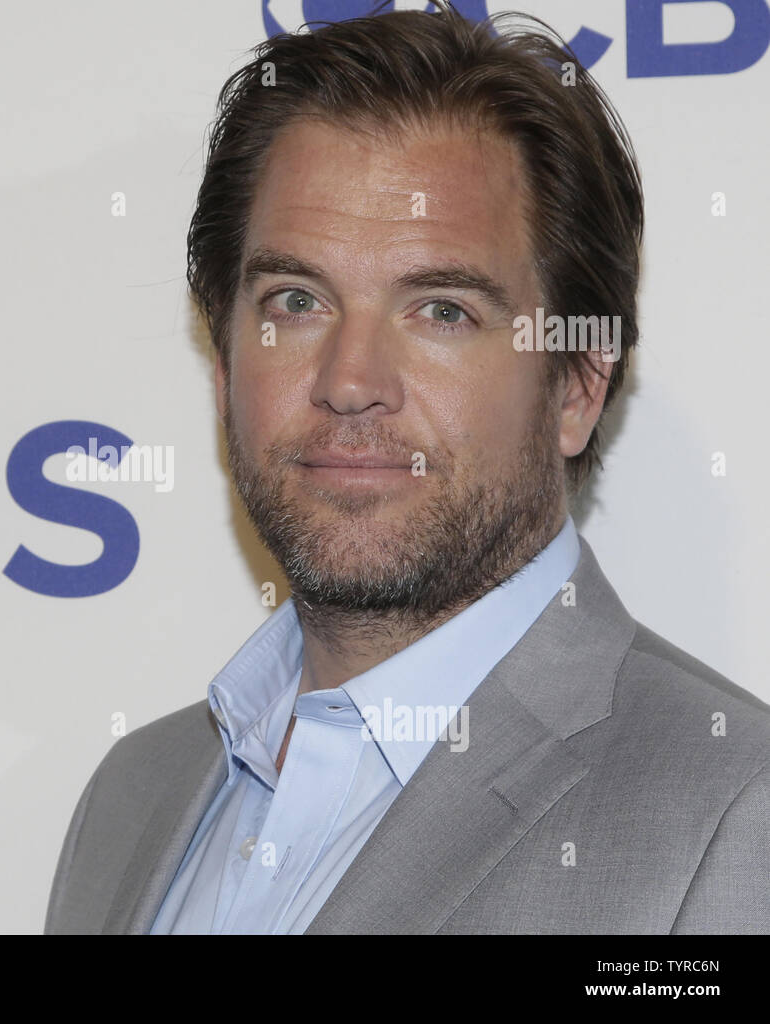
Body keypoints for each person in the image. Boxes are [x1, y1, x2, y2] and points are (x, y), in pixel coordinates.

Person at [43, 3, 770, 934]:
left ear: (579, 383)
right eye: (296, 300)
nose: (349, 383)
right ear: (224, 361)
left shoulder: (733, 817)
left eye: (442, 311)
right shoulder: (133, 798)